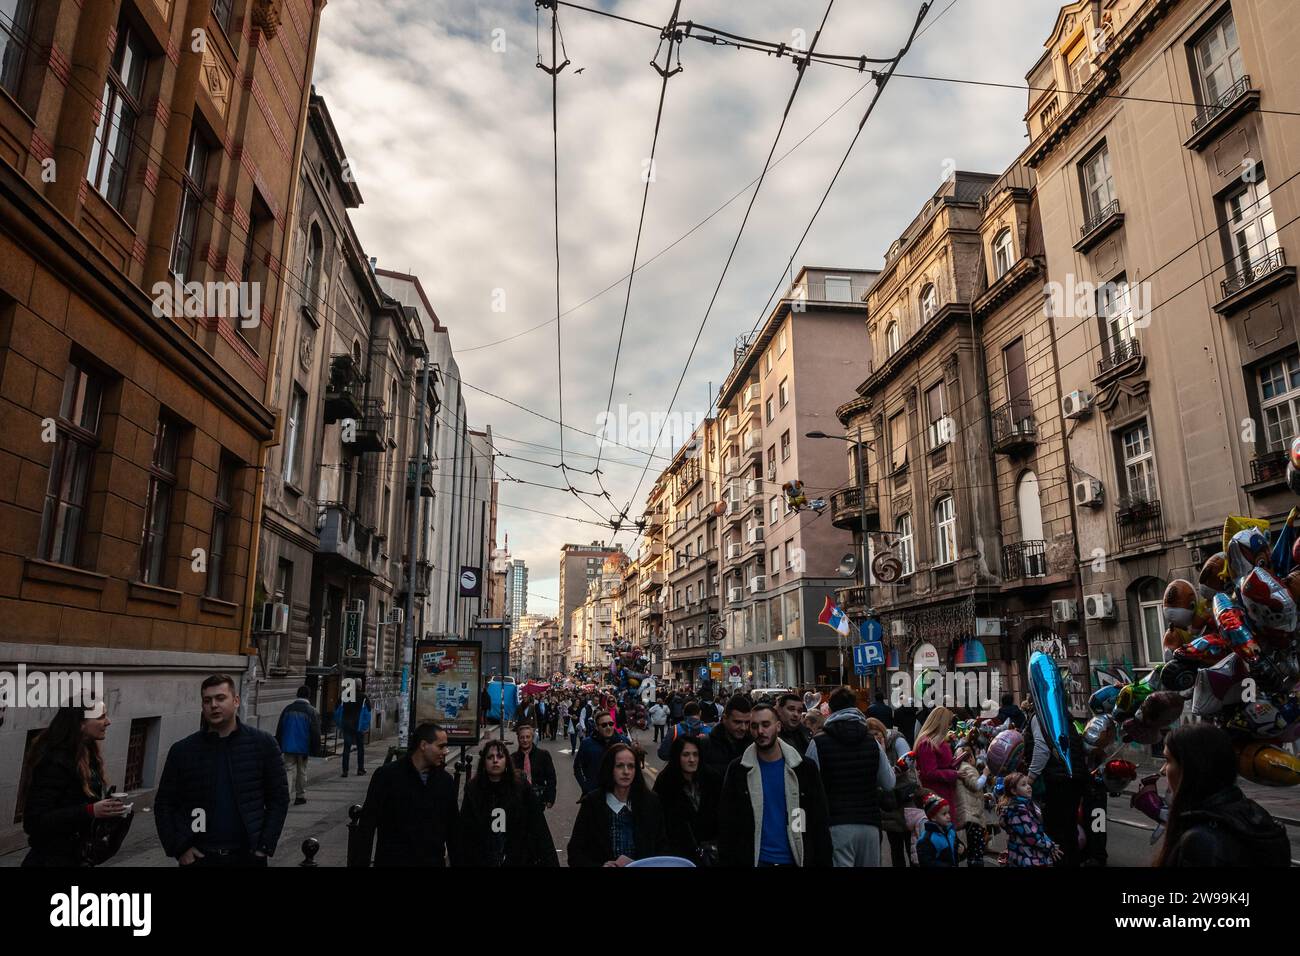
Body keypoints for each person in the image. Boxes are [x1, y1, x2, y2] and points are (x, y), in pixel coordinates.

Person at [155, 674, 288, 867]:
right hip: (200, 857)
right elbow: (164, 804)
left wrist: (264, 846)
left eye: (220, 698)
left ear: (236, 701)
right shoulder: (183, 750)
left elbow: (279, 798)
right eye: (207, 700)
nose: (213, 705)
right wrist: (180, 847)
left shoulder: (263, 744)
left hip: (247, 857)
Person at [1154, 723, 1290, 867]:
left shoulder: (1202, 841)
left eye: (1168, 760)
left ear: (1192, 767)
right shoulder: (1258, 819)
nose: (1163, 770)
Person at [717, 702, 832, 867]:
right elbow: (727, 823)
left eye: (766, 725)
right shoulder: (739, 770)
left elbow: (817, 821)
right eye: (754, 726)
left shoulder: (803, 769)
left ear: (778, 727)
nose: (760, 731)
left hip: (795, 859)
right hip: (756, 860)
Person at [21, 703, 131, 867]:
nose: (108, 722)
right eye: (100, 717)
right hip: (51, 860)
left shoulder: (88, 754)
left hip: (76, 857)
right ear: (80, 723)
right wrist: (90, 811)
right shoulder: (54, 761)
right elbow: (34, 821)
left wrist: (106, 810)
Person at [803, 687, 895, 867]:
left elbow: (808, 786)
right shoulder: (872, 742)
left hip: (836, 825)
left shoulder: (818, 743)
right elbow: (889, 783)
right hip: (869, 823)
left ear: (830, 710)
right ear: (855, 707)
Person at [353, 722, 460, 867]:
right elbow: (367, 825)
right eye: (441, 746)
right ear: (423, 745)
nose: (446, 751)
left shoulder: (445, 781)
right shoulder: (387, 776)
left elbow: (453, 831)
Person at [454, 739, 558, 867]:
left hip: (517, 858)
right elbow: (466, 830)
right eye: (490, 757)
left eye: (500, 756)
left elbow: (539, 827)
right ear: (484, 763)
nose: (495, 760)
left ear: (507, 761)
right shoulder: (474, 790)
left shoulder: (521, 788)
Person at [567, 743, 667, 866]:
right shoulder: (592, 803)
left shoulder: (651, 802)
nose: (626, 772)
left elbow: (662, 847)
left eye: (631, 766)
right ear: (610, 768)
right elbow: (575, 852)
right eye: (620, 766)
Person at [1025, 704, 1086, 866]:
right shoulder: (1064, 715)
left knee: (1055, 833)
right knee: (1069, 831)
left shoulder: (1040, 716)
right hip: (1075, 778)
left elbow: (1041, 749)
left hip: (1055, 781)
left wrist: (1029, 779)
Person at [652, 734, 722, 866]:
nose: (692, 759)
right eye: (686, 755)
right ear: (677, 757)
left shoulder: (712, 778)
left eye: (695, 754)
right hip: (680, 855)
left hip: (711, 852)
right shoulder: (665, 782)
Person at [867, 716, 916, 867]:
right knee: (895, 848)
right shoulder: (871, 748)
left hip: (904, 797)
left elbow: (907, 761)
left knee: (912, 845)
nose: (875, 737)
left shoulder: (896, 740)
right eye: (871, 735)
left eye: (877, 733)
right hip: (889, 803)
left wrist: (889, 768)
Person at [998, 772, 1061, 867]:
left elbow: (1037, 829)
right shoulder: (1018, 811)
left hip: (1027, 855)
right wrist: (1050, 846)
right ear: (1014, 791)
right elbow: (1031, 835)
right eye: (1023, 785)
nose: (1028, 787)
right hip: (1026, 857)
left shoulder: (1026, 805)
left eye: (1028, 783)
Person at [276, 685, 322, 804]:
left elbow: (280, 728)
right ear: (308, 696)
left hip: (288, 745)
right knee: (302, 771)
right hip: (303, 747)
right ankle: (300, 796)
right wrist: (316, 749)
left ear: (297, 694)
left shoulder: (287, 709)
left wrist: (279, 744)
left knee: (288, 770)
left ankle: (284, 796)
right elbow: (316, 732)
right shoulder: (312, 711)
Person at [952, 739, 990, 867]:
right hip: (973, 816)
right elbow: (976, 785)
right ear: (970, 757)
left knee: (972, 849)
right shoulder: (968, 768)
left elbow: (969, 791)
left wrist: (984, 795)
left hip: (968, 815)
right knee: (977, 850)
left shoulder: (960, 768)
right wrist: (984, 774)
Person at [574, 710, 629, 795]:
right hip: (594, 794)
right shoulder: (587, 744)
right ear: (597, 727)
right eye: (604, 725)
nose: (608, 727)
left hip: (619, 794)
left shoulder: (624, 742)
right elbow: (577, 767)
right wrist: (586, 787)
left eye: (611, 724)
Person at [913, 706, 958, 810]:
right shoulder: (927, 744)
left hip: (942, 793)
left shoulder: (934, 742)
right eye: (949, 723)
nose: (949, 727)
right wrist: (954, 774)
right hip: (937, 794)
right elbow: (929, 773)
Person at [702, 694, 753, 780]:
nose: (743, 728)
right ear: (725, 718)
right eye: (737, 722)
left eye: (747, 722)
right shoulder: (706, 745)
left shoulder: (753, 745)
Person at [511, 722, 556, 810]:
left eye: (528, 737)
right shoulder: (512, 758)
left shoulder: (543, 755)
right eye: (522, 737)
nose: (525, 740)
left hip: (538, 799)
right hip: (518, 801)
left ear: (532, 738)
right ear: (518, 739)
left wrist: (550, 798)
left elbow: (551, 778)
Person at [333, 688, 371, 779]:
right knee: (360, 748)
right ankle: (360, 769)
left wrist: (339, 724)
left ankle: (345, 771)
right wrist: (365, 726)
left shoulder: (345, 695)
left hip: (347, 726)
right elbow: (368, 712)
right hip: (358, 726)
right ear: (360, 686)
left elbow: (337, 709)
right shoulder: (363, 697)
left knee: (346, 748)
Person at [916, 793, 960, 867]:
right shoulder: (927, 839)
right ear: (933, 817)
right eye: (944, 814)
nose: (948, 816)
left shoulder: (951, 831)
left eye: (948, 812)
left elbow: (957, 849)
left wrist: (962, 851)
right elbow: (926, 863)